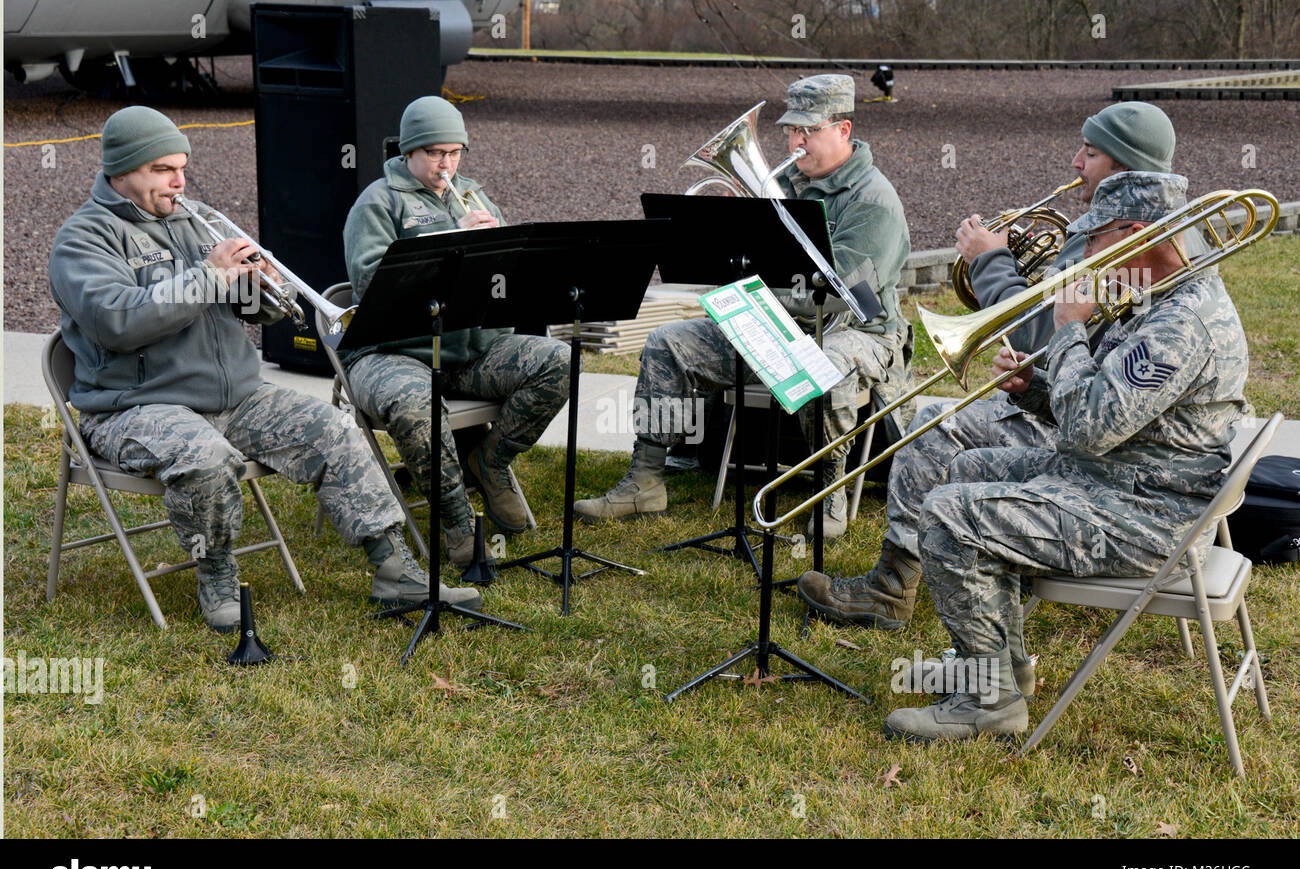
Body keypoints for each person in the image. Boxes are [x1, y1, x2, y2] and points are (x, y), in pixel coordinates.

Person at [798, 102, 1187, 692]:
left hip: (1123, 485)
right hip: (1098, 437)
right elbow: (1063, 344)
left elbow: (1047, 338)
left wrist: (993, 265)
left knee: (949, 470)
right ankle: (898, 590)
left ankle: (991, 684)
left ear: (1126, 169)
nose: (1074, 161)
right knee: (932, 429)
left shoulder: (1146, 272)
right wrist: (1034, 385)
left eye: (1091, 151)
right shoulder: (1118, 240)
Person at [48, 105, 479, 633]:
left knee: (336, 429)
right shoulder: (83, 239)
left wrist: (262, 288)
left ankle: (394, 567)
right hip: (133, 406)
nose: (180, 180)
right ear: (121, 170)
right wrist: (210, 275)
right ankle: (217, 573)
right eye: (163, 169)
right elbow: (117, 321)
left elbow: (253, 310)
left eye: (182, 166)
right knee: (204, 457)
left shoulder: (195, 218)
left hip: (234, 396)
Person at [883, 171, 1248, 740]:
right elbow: (1108, 413)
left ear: (1138, 233)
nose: (1089, 252)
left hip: (1148, 520)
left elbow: (1088, 430)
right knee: (964, 469)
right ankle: (1002, 668)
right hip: (1125, 482)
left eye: (1097, 238)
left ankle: (990, 703)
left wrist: (1069, 329)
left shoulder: (1182, 322)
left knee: (950, 515)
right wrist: (1034, 390)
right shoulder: (1161, 295)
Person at [575, 74, 913, 539]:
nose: (796, 142)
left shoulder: (874, 202)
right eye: (792, 131)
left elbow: (844, 295)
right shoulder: (786, 185)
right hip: (784, 324)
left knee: (825, 362)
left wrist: (757, 285)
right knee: (667, 342)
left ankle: (831, 496)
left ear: (844, 130)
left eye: (809, 131)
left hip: (858, 332)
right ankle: (645, 479)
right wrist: (732, 232)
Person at [341, 95, 569, 566]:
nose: (446, 164)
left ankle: (490, 460)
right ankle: (459, 524)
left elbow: (508, 276)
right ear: (409, 152)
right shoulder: (378, 202)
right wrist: (453, 237)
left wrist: (505, 250)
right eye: (435, 153)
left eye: (455, 152)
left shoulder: (473, 193)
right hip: (393, 353)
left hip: (468, 349)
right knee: (417, 403)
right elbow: (371, 283)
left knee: (560, 362)